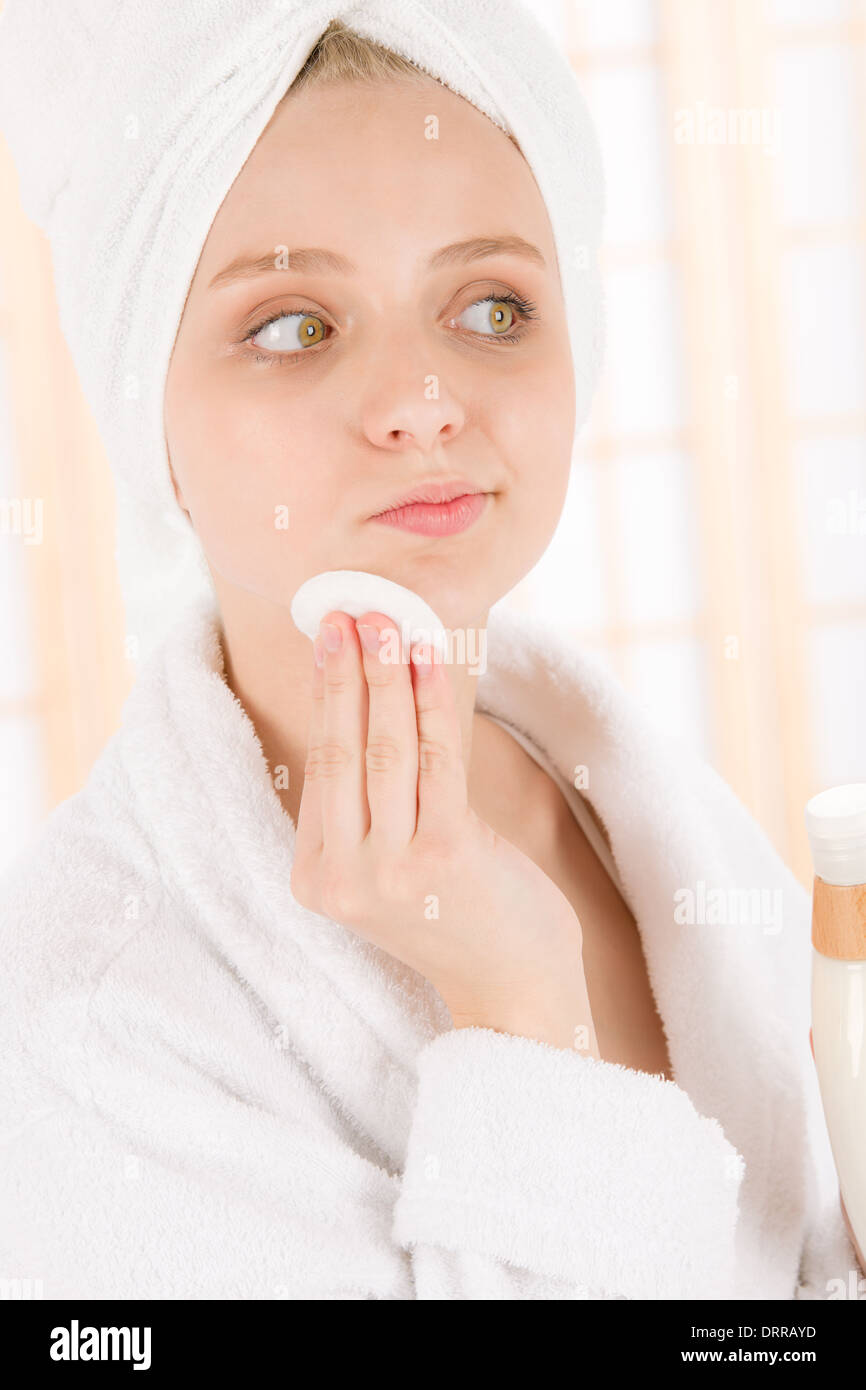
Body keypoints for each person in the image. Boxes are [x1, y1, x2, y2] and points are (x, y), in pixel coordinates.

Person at [0, 12, 860, 1301]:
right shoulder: (83, 1022)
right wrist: (521, 1003)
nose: (423, 398)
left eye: (491, 305)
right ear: (147, 415)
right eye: (294, 325)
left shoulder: (639, 802)